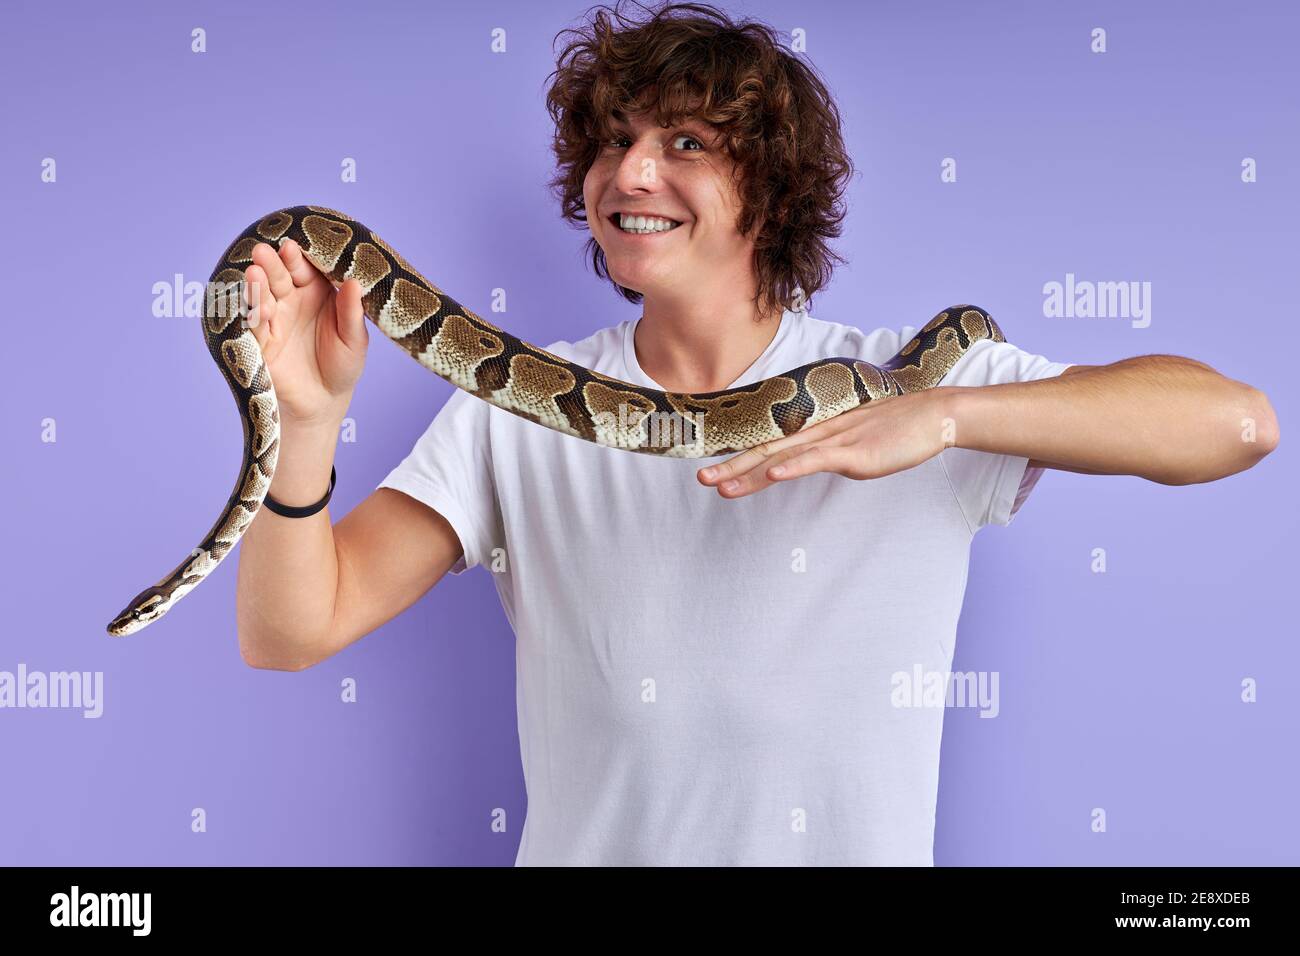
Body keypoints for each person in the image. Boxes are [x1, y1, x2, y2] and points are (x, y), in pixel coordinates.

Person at [232, 1, 1278, 865]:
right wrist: (310, 419)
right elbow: (288, 632)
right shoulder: (511, 408)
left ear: (771, 189)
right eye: (614, 141)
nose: (631, 172)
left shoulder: (923, 382)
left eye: (684, 143)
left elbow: (1233, 423)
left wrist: (943, 413)